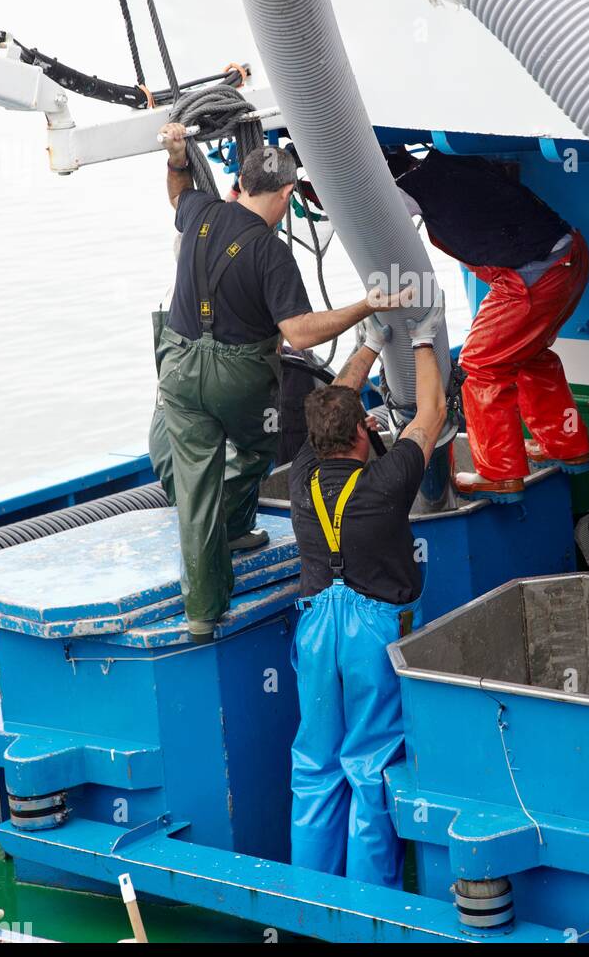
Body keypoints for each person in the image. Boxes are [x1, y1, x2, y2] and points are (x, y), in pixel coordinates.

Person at [159, 123, 412, 642]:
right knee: (261, 444)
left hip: (177, 369)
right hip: (236, 378)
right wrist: (369, 305)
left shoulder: (203, 211)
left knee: (195, 480)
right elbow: (298, 331)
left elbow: (178, 194)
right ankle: (230, 528)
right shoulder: (272, 252)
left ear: (242, 183)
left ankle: (202, 615)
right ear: (288, 193)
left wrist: (178, 159)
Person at [288, 292, 447, 888]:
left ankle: (312, 900)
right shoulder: (386, 480)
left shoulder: (304, 471)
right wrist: (426, 338)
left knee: (315, 764)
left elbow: (336, 404)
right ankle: (366, 911)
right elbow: (428, 412)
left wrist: (371, 343)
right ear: (363, 431)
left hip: (313, 629)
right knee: (371, 766)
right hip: (372, 632)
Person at [389, 148, 589, 497]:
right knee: (527, 354)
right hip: (571, 257)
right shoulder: (456, 160)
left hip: (533, 279)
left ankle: (499, 474)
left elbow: (371, 211)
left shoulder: (410, 187)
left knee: (479, 366)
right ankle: (565, 443)